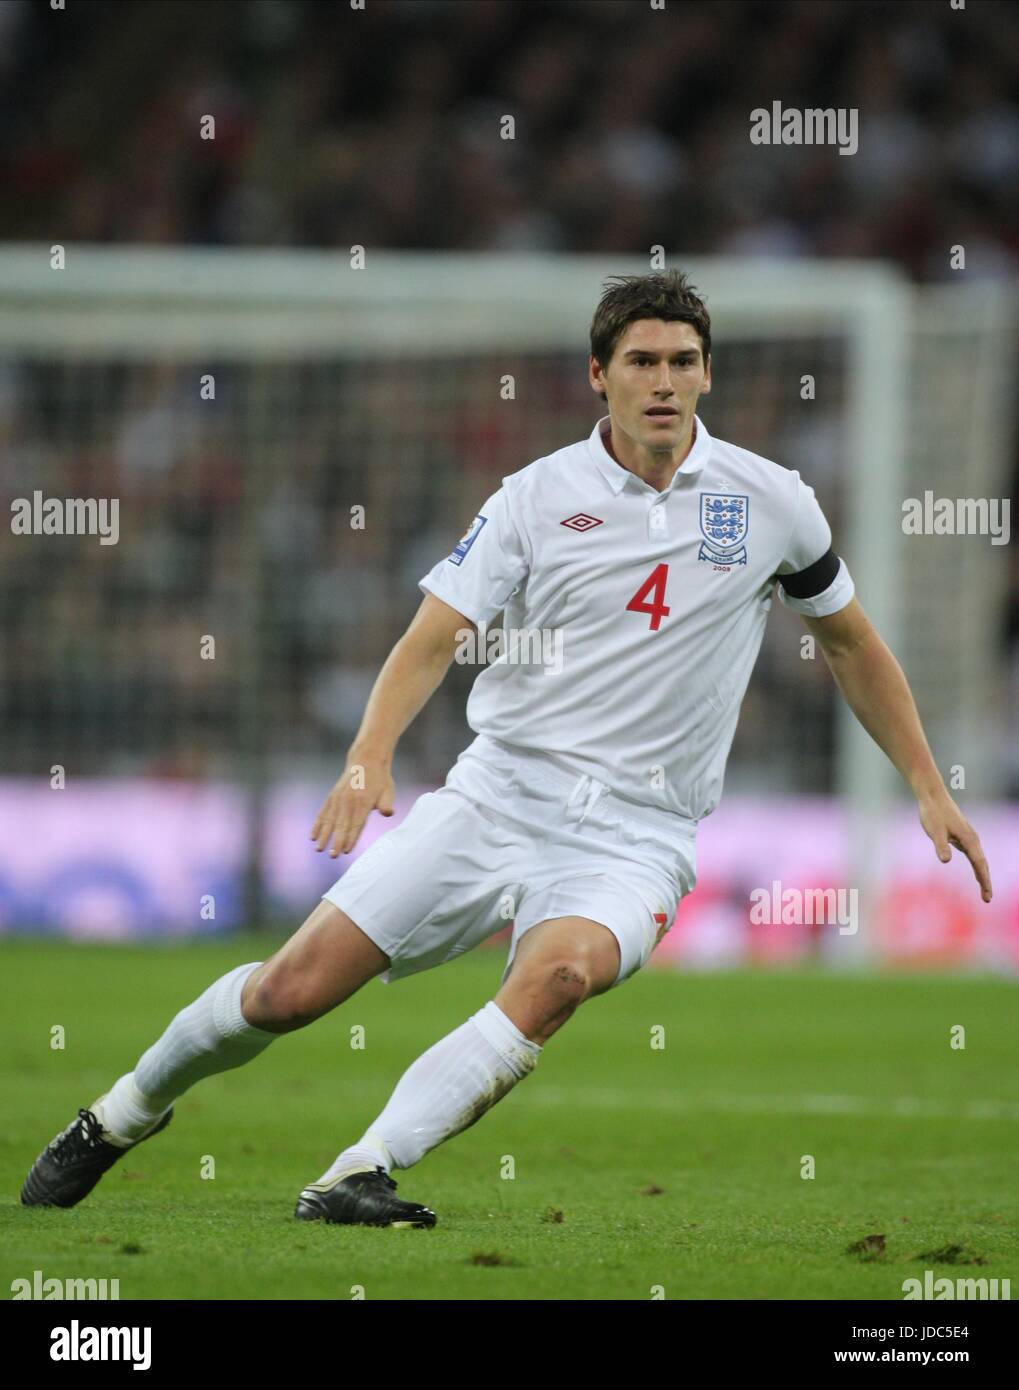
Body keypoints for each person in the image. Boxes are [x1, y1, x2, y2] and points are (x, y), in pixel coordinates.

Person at [22, 270, 992, 1228]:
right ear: (596, 375)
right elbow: (430, 637)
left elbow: (849, 640)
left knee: (558, 976)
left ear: (707, 374)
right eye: (641, 361)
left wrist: (924, 781)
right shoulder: (534, 498)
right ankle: (120, 1113)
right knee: (285, 992)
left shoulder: (773, 501)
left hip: (639, 833)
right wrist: (369, 754)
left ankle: (358, 1171)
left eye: (682, 362)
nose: (663, 380)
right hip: (497, 797)